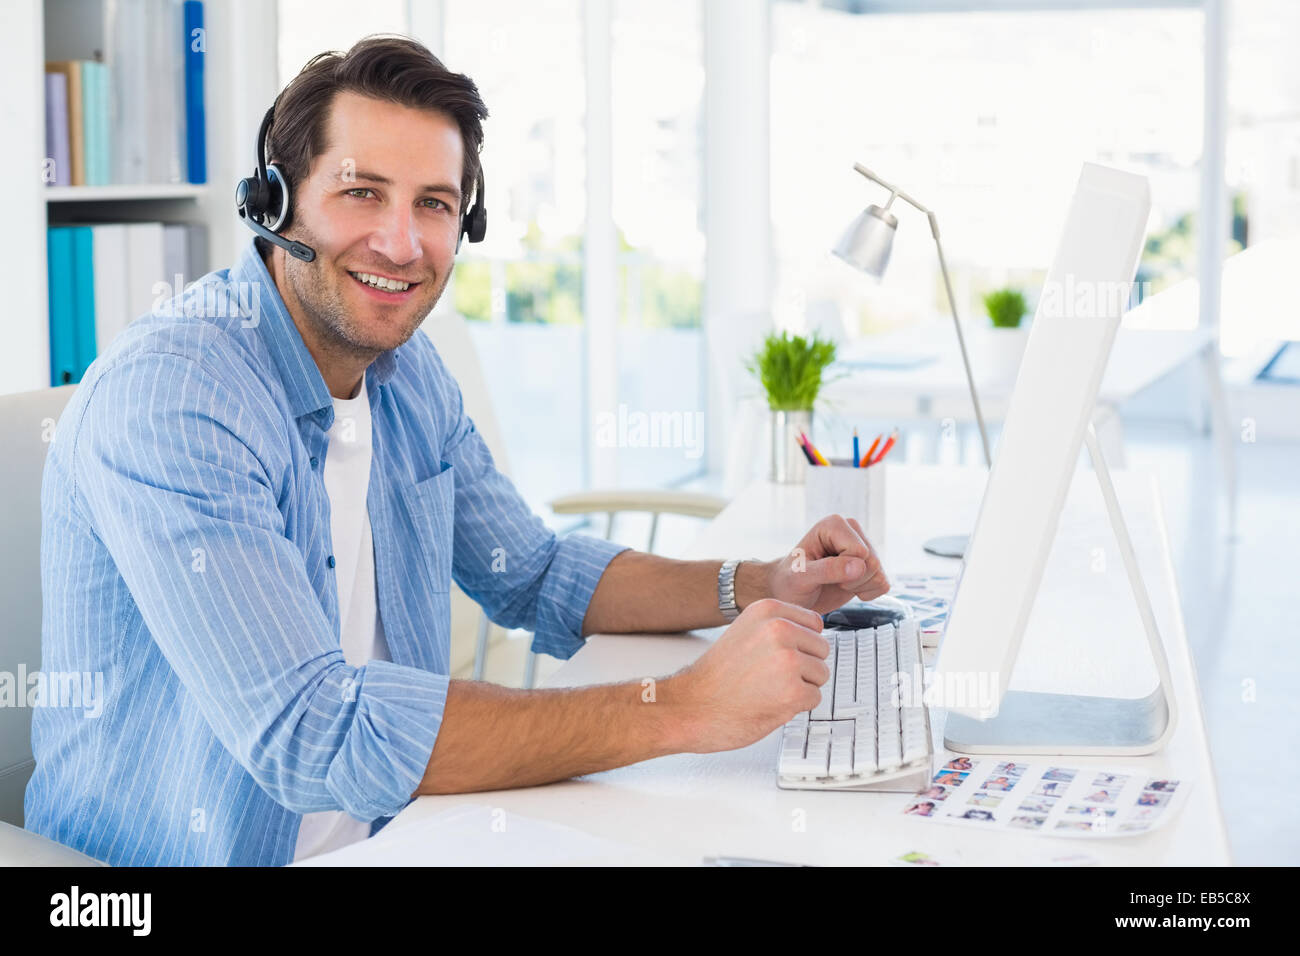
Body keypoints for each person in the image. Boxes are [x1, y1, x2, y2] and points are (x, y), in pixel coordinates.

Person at [25, 36, 891, 867]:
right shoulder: (178, 398)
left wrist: (756, 584)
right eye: (362, 193)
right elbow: (312, 733)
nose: (402, 244)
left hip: (407, 835)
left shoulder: (406, 375)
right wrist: (687, 708)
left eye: (434, 205)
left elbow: (535, 573)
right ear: (275, 202)